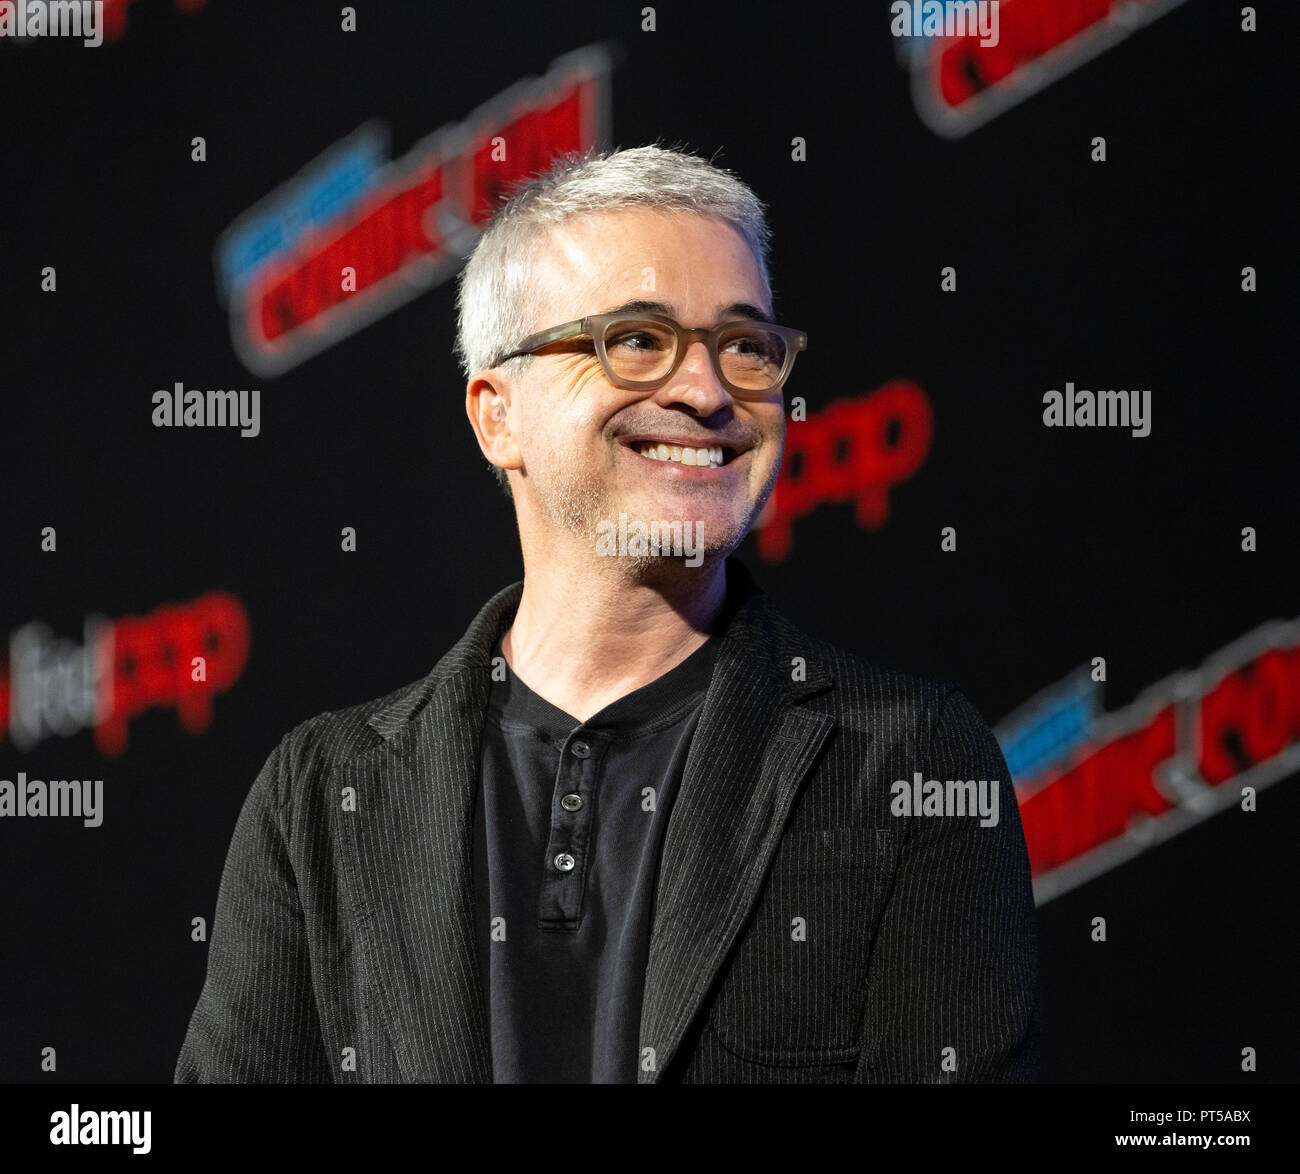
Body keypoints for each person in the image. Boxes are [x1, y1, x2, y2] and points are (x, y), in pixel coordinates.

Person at [175, 144, 1038, 1084]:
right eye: (636, 340)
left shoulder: (906, 759)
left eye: (746, 346)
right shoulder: (319, 797)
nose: (708, 393)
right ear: (496, 416)